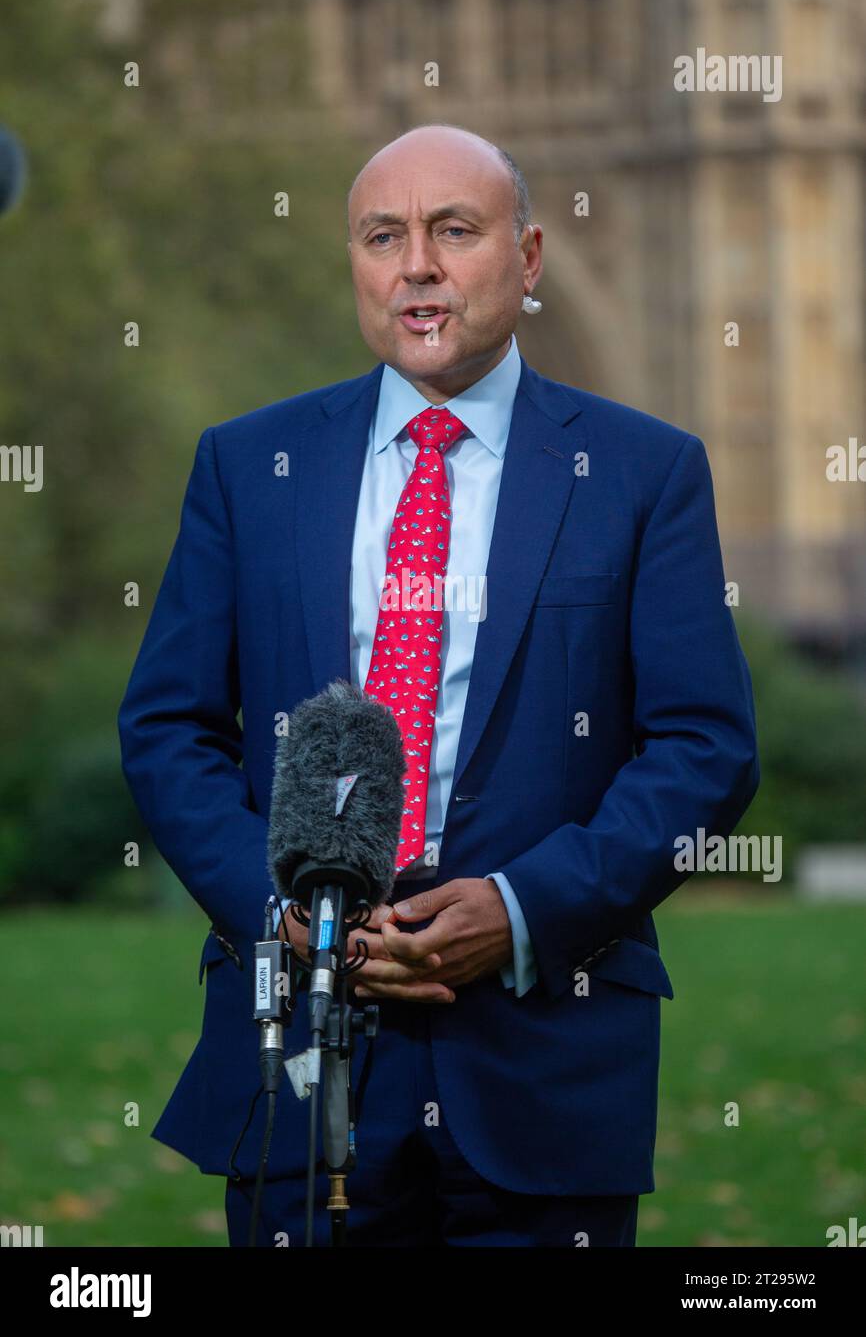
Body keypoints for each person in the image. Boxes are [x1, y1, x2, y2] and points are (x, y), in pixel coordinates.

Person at [118, 123, 759, 1247]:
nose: (415, 263)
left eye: (452, 231)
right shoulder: (248, 465)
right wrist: (283, 916)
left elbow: (704, 748)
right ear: (356, 266)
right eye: (383, 236)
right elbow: (168, 728)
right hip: (302, 1064)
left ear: (526, 256)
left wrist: (518, 910)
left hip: (542, 1062)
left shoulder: (641, 471)